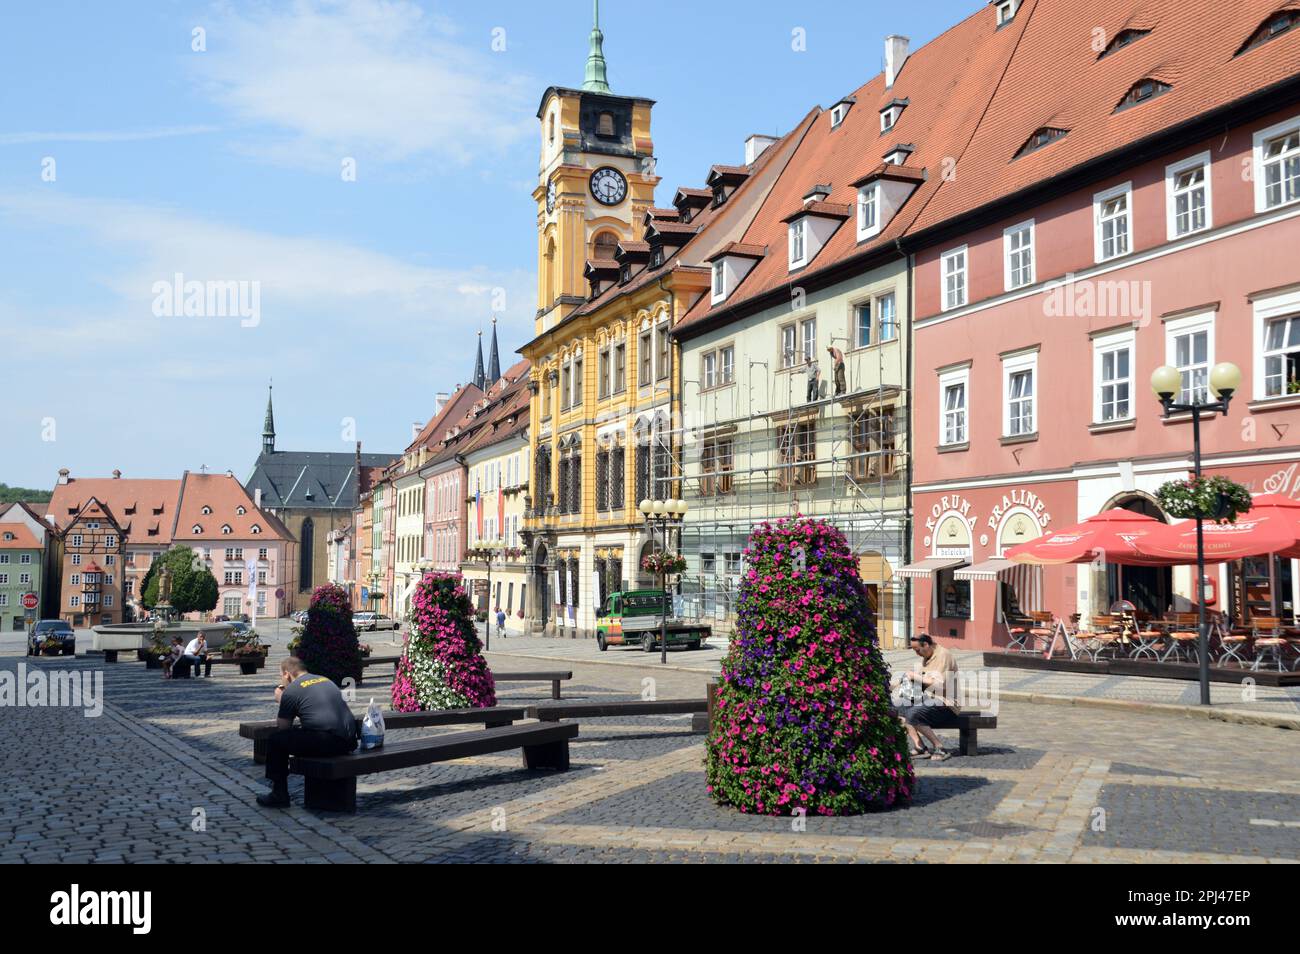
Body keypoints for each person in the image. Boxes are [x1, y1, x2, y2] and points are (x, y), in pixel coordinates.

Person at [257, 657, 358, 808]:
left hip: (328, 741)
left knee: (275, 740)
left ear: (286, 674)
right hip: (349, 740)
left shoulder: (291, 690)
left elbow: (283, 727)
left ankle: (279, 794)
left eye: (280, 676)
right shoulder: (324, 679)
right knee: (298, 735)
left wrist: (282, 699)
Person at [891, 633, 960, 761]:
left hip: (946, 704)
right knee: (899, 707)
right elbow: (922, 678)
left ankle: (940, 747)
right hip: (928, 699)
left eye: (917, 650)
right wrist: (894, 685)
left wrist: (915, 676)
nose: (917, 653)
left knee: (913, 713)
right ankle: (920, 746)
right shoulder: (928, 656)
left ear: (926, 645)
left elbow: (940, 684)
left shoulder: (943, 656)